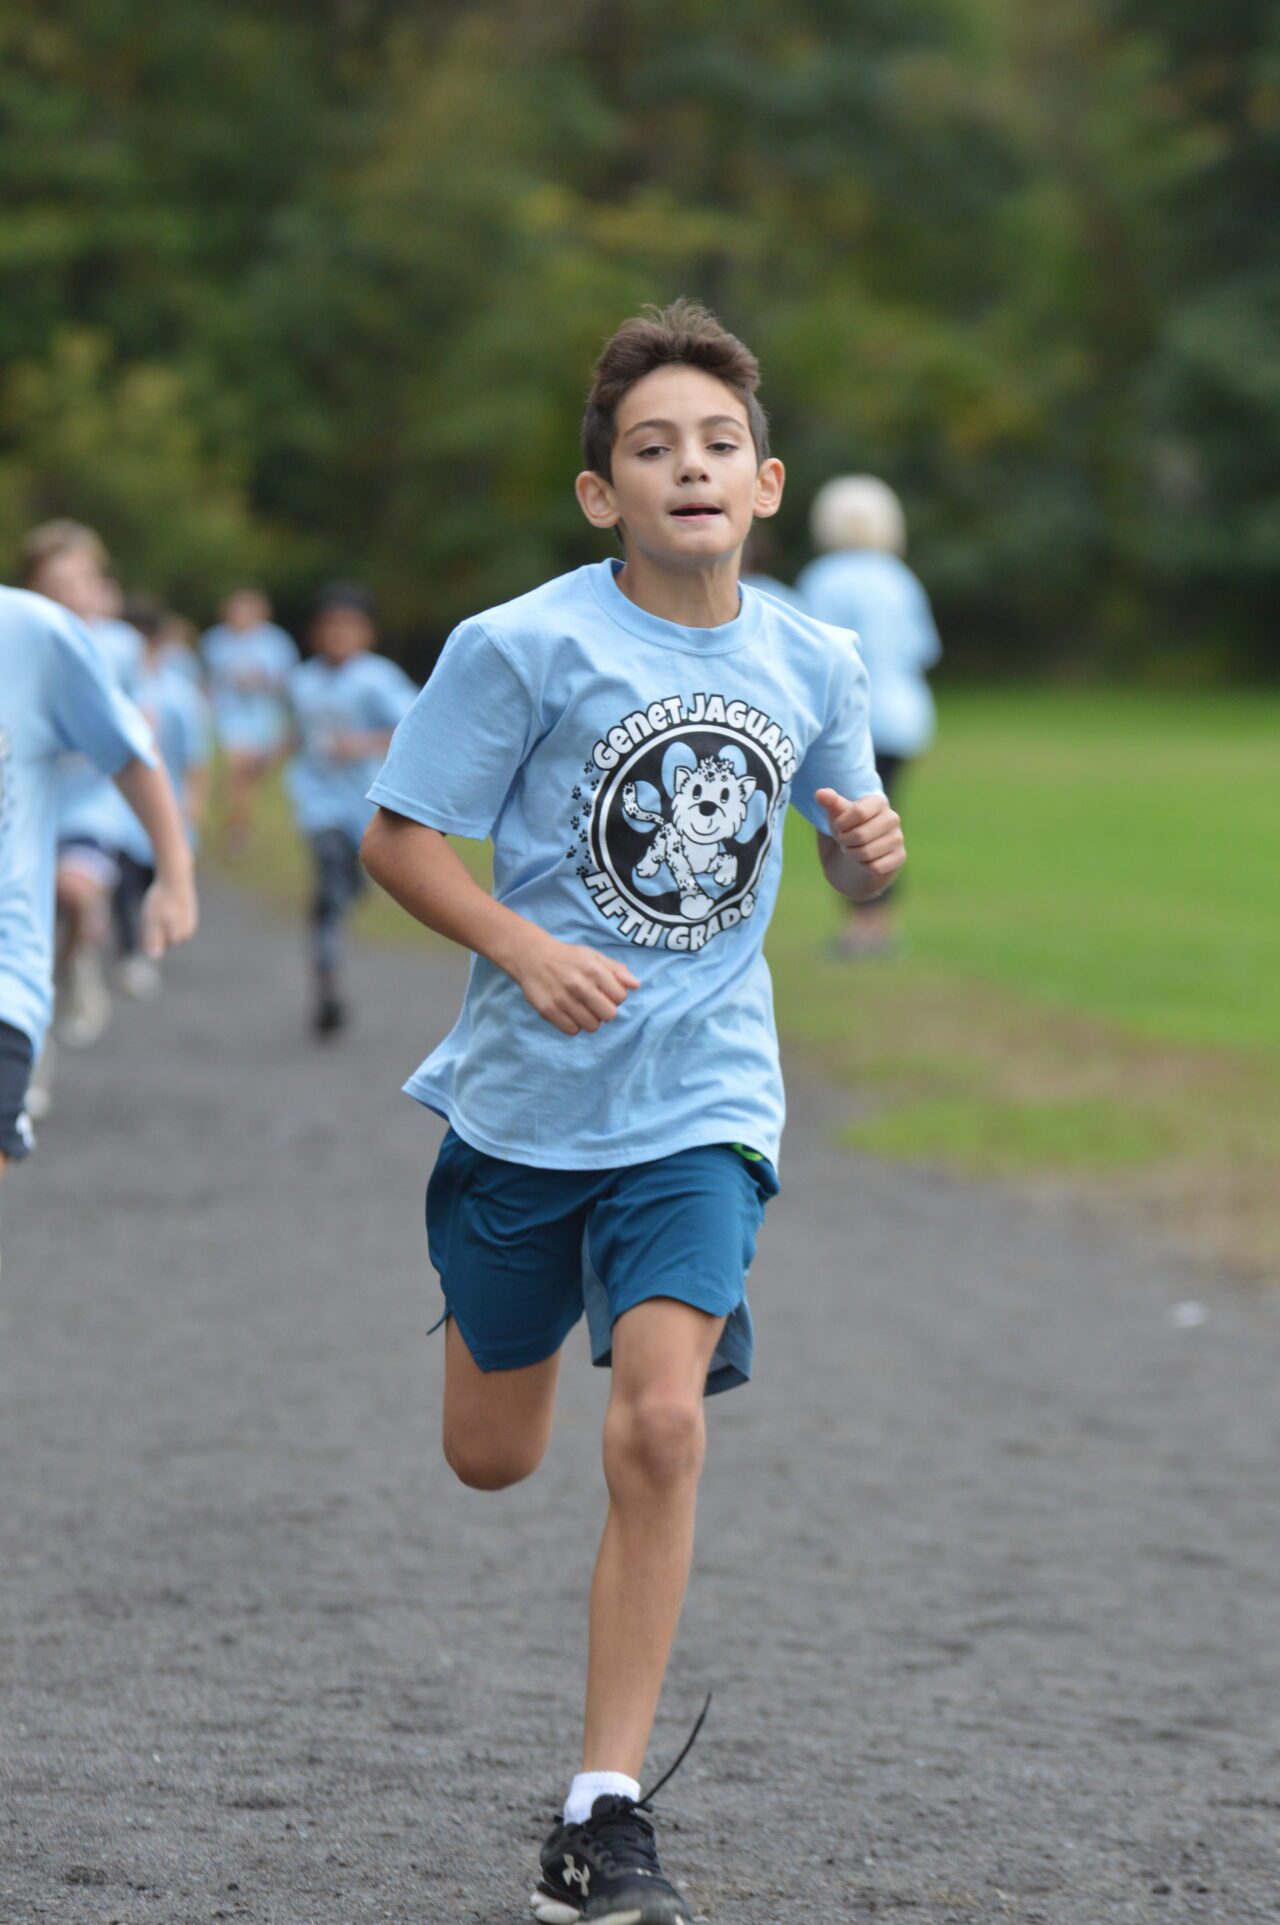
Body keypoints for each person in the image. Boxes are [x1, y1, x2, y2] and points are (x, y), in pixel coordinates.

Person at [360, 300, 904, 1925]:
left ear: (765, 481)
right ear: (603, 490)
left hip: (704, 1097)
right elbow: (401, 840)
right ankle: (479, 1296)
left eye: (717, 445)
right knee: (490, 1457)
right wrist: (524, 948)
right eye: (653, 446)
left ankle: (604, 1809)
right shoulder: (519, 645)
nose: (690, 467)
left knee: (664, 1423)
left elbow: (842, 828)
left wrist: (870, 857)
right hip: (525, 1112)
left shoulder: (815, 657)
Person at [0, 583, 199, 1266]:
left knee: (77, 891)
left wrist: (174, 874)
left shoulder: (30, 632)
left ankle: (74, 968)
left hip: (4, 971)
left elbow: (126, 748)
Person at [796, 476, 941, 958]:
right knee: (883, 817)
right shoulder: (900, 578)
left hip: (849, 720)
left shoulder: (823, 577)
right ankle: (878, 924)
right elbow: (923, 649)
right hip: (905, 719)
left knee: (845, 827)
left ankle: (864, 929)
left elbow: (807, 653)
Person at [20, 521, 145, 1052]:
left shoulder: (121, 647)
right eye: (56, 586)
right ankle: (34, 1051)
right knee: (26, 945)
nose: (70, 596)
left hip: (93, 806)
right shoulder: (21, 642)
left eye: (80, 583)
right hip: (27, 809)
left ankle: (71, 969)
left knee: (73, 890)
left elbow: (143, 724)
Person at [285, 583, 417, 1037]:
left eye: (349, 626)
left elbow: (414, 723)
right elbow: (297, 733)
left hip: (363, 800)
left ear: (367, 634)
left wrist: (361, 744)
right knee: (327, 881)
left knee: (352, 882)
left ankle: (348, 893)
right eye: (330, 626)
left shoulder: (377, 678)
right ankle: (327, 987)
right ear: (315, 633)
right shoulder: (302, 679)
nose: (339, 635)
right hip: (316, 800)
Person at [112, 598, 214, 1000]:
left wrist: (196, 799)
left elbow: (197, 755)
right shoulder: (111, 687)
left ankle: (147, 947)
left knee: (156, 878)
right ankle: (130, 952)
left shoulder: (179, 694)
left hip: (166, 806)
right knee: (122, 882)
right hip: (117, 810)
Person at [201, 586, 298, 856]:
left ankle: (235, 818)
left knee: (248, 777)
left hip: (265, 720)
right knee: (240, 766)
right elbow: (208, 681)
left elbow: (288, 683)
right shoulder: (215, 641)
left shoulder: (276, 642)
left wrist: (259, 679)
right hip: (228, 718)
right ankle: (237, 832)